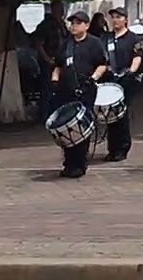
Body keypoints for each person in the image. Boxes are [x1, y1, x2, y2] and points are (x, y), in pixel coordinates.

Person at [51, 10, 109, 179]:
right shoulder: (66, 44)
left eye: (77, 23)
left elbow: (102, 65)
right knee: (66, 127)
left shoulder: (94, 43)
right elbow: (58, 65)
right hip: (66, 92)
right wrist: (54, 80)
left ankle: (80, 163)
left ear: (86, 25)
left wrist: (93, 78)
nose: (73, 26)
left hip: (86, 91)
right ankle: (69, 162)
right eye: (72, 23)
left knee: (81, 128)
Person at [101, 7, 143, 162]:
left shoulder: (133, 38)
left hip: (125, 80)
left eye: (118, 17)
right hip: (110, 79)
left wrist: (130, 72)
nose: (115, 20)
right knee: (110, 115)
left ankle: (122, 148)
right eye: (113, 17)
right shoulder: (106, 38)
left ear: (125, 19)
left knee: (122, 114)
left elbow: (137, 57)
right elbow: (101, 58)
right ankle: (112, 148)